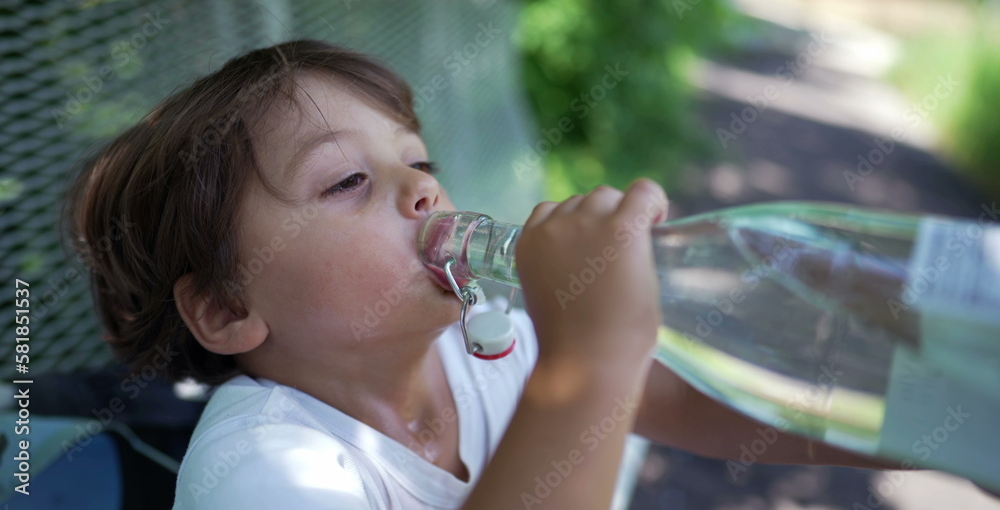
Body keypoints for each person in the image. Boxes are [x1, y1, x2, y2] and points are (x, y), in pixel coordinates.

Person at [65, 39, 884, 509]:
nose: (424, 189)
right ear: (226, 305)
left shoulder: (489, 349)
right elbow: (603, 379)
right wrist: (591, 357)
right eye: (348, 180)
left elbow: (711, 408)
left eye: (418, 161)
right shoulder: (259, 469)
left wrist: (910, 428)